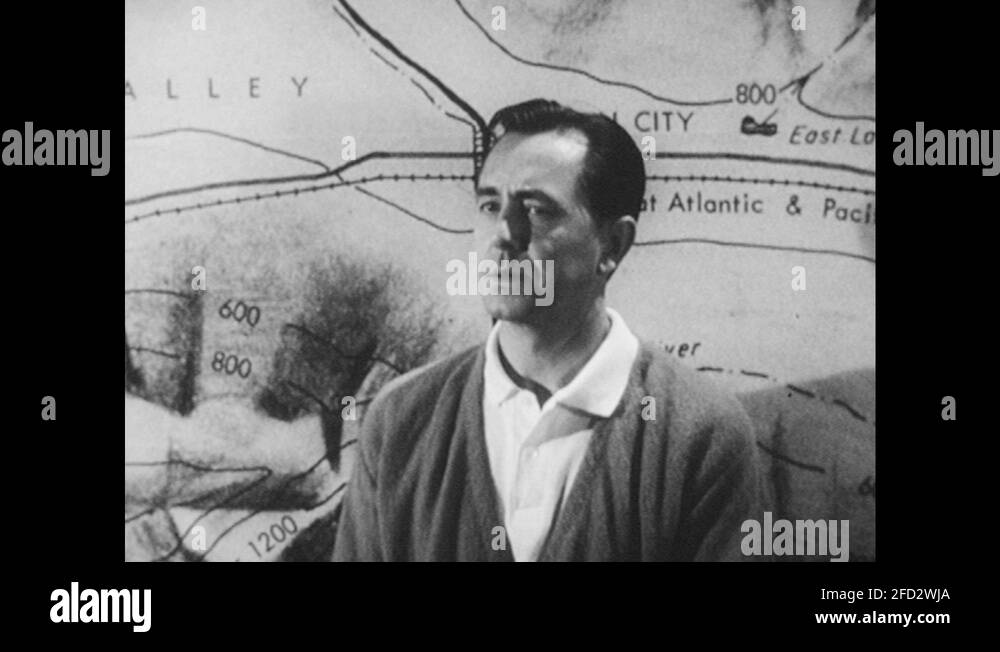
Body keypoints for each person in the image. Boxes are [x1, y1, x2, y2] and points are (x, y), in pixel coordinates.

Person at [333, 99, 765, 561]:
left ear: (613, 245)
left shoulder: (698, 435)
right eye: (489, 204)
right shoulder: (402, 420)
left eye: (536, 210)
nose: (503, 232)